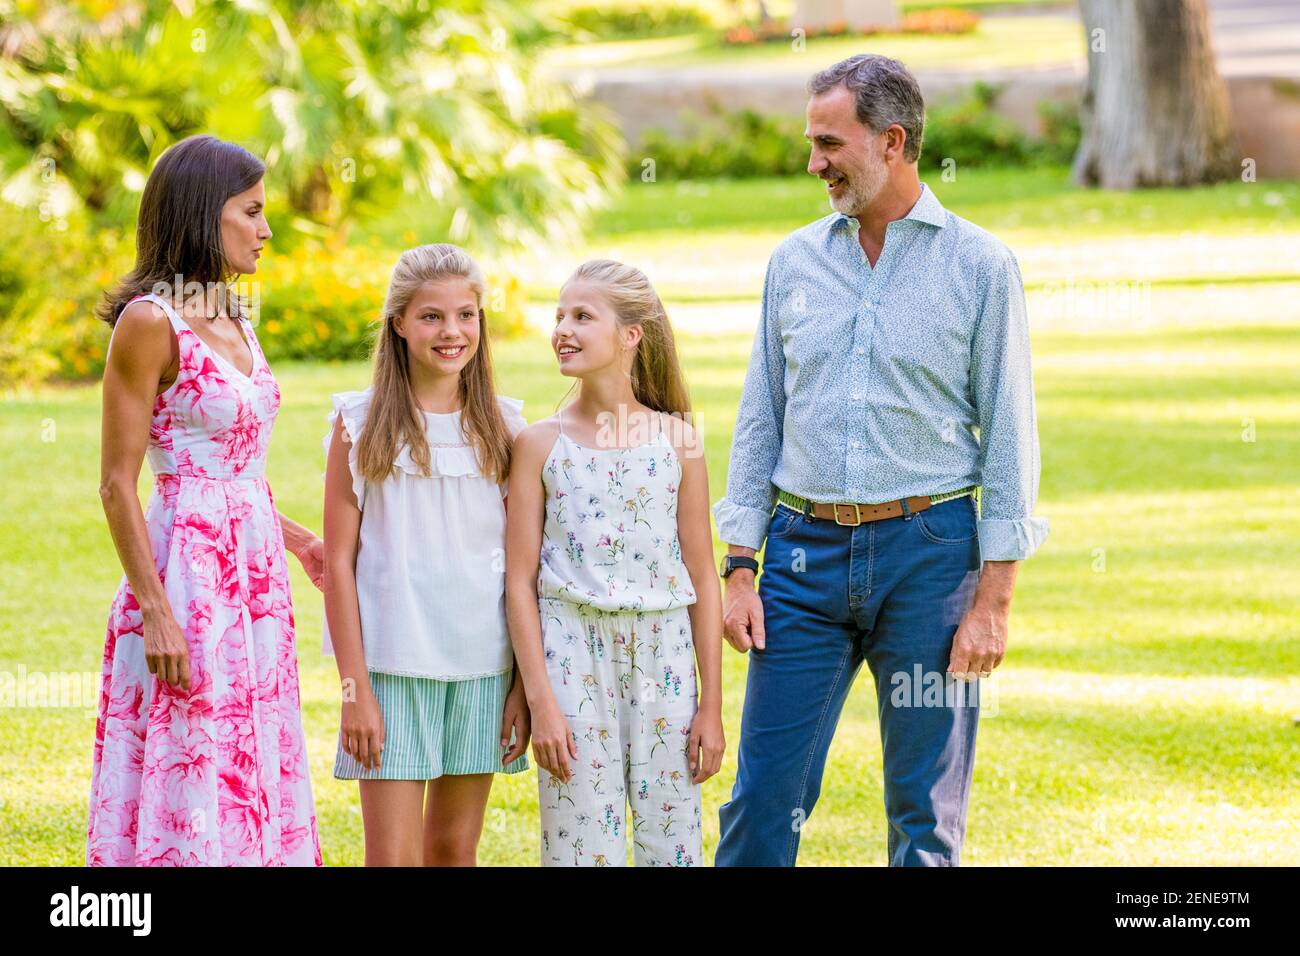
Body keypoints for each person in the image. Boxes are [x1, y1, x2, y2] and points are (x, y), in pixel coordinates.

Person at [713, 55, 1050, 867]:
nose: (813, 163)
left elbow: (1009, 435)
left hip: (930, 558)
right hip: (800, 558)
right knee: (763, 800)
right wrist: (738, 565)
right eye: (810, 142)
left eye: (829, 143)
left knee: (924, 816)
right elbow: (761, 415)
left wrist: (994, 600)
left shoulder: (979, 266)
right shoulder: (793, 261)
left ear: (892, 140)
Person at [89, 134, 323, 866]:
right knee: (193, 748)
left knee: (250, 744)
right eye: (251, 212)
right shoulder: (150, 323)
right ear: (201, 212)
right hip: (186, 584)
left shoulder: (234, 315)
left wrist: (299, 539)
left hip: (255, 580)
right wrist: (155, 611)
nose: (266, 229)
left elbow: (233, 474)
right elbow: (118, 483)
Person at [505, 260, 725, 867]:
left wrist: (711, 704)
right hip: (572, 657)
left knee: (672, 844)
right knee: (581, 848)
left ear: (631, 335)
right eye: (559, 316)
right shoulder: (539, 445)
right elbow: (519, 583)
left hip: (666, 659)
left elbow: (703, 578)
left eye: (581, 316)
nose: (562, 330)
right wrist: (541, 700)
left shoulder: (678, 441)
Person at [322, 244, 531, 866]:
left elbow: (523, 571)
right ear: (399, 323)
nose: (452, 332)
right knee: (392, 858)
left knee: (452, 851)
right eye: (432, 317)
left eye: (466, 316)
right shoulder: (357, 424)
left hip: (483, 670)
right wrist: (354, 689)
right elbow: (337, 563)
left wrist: (520, 685)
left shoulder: (507, 425)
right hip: (390, 670)